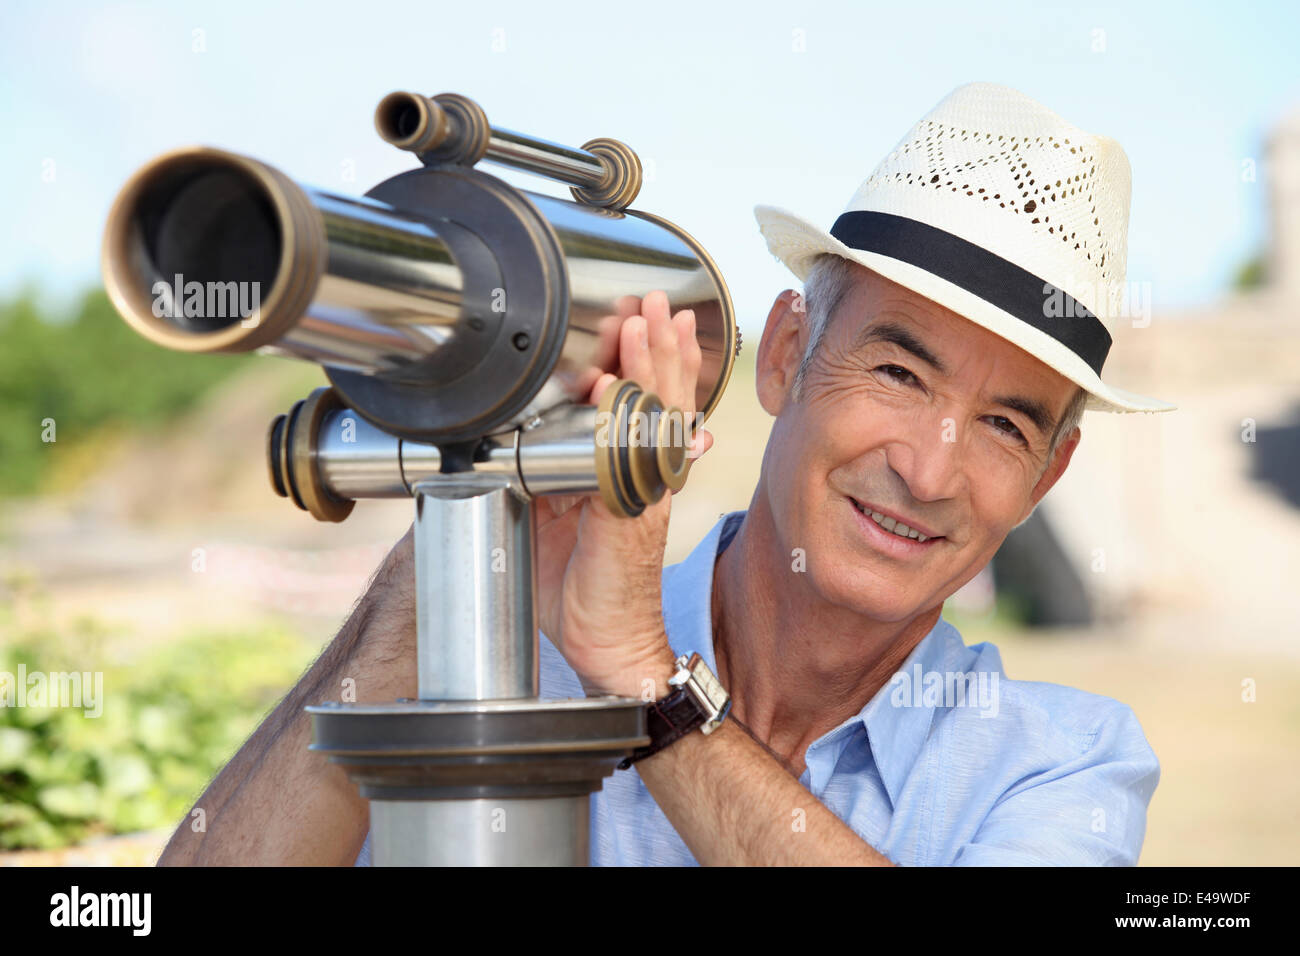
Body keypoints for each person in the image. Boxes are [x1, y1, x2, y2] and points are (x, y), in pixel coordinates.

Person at [159, 82, 1171, 867]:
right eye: (899, 371)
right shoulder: (501, 668)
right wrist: (431, 587)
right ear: (782, 354)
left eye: (1003, 423)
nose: (929, 467)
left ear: (1048, 472)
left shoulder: (1062, 764)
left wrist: (648, 682)